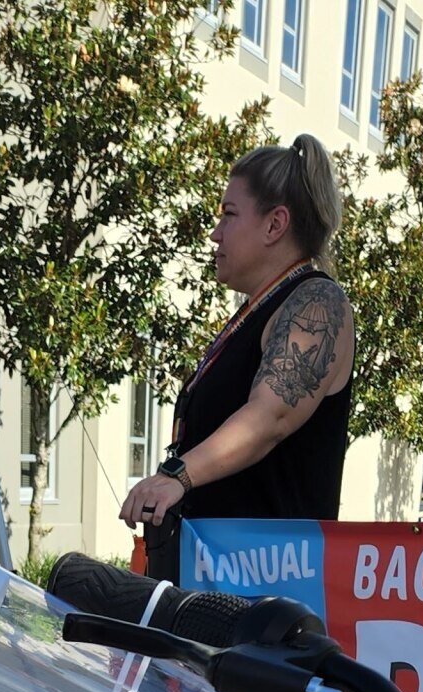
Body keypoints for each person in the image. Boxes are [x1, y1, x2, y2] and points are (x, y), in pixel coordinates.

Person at [120, 137, 352, 579]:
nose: (215, 233)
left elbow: (270, 418)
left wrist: (175, 476)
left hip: (270, 601)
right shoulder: (259, 310)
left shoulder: (316, 301)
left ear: (274, 225)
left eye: (228, 214)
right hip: (217, 587)